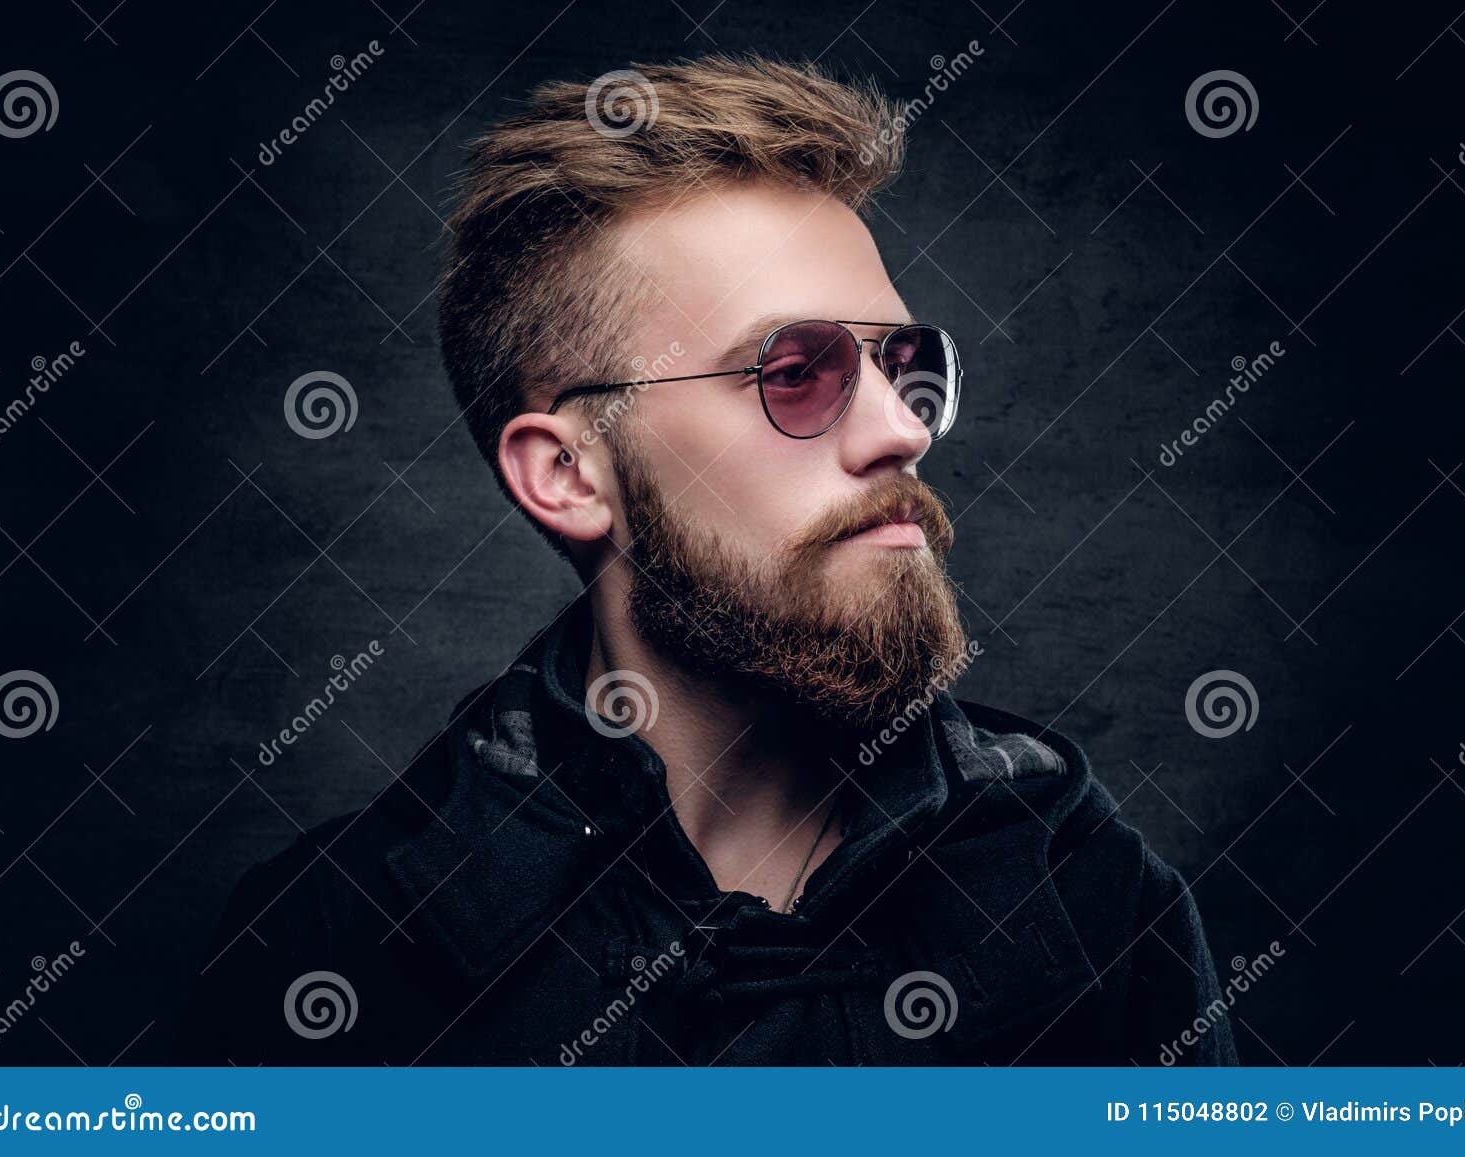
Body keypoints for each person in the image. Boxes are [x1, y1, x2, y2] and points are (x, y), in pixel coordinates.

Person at [175, 54, 1236, 1066]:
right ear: (568, 473)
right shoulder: (335, 942)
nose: (901, 429)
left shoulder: (1091, 904)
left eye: (904, 364)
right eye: (794, 371)